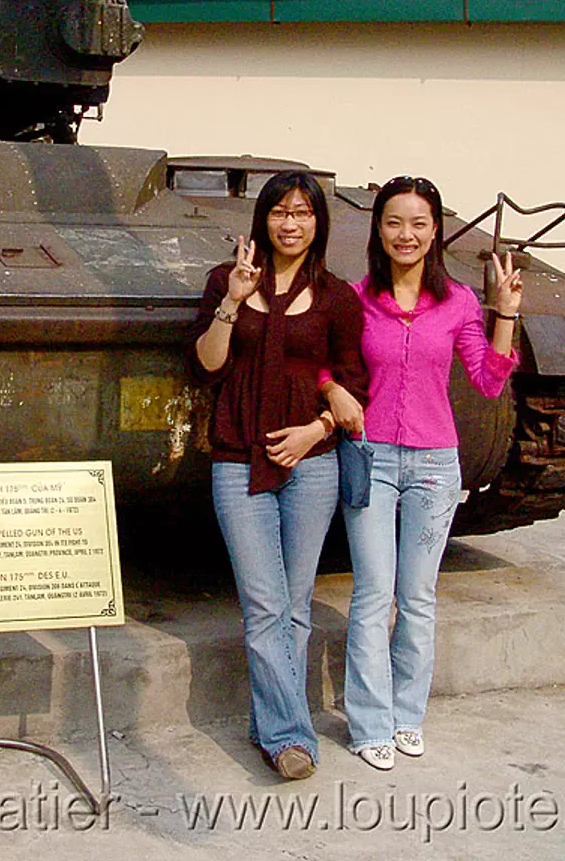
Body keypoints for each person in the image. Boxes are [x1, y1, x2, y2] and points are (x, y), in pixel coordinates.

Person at [323, 175, 522, 771]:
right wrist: (331, 390)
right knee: (372, 594)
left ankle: (407, 715)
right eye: (393, 222)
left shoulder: (458, 302)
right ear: (377, 231)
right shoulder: (355, 300)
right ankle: (369, 722)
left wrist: (503, 314)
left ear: (434, 231)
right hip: (371, 457)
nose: (405, 234)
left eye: (417, 223)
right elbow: (324, 366)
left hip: (436, 464)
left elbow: (488, 380)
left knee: (417, 596)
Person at [187, 170, 368, 780]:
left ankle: (269, 725)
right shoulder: (225, 279)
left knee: (293, 606)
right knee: (265, 604)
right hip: (239, 458)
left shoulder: (337, 297)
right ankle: (293, 736)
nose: (290, 223)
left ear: (318, 222)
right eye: (280, 212)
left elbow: (351, 380)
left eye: (303, 213)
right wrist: (233, 301)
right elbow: (207, 365)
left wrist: (315, 431)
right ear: (263, 219)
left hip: (311, 462)